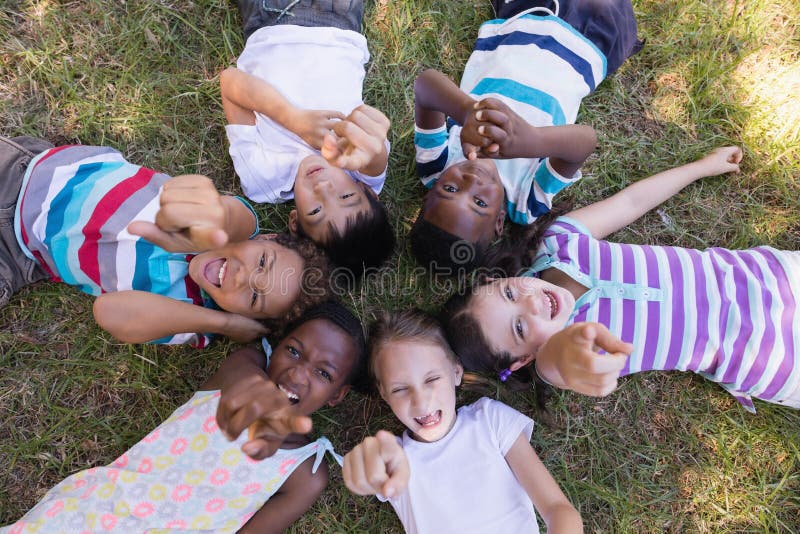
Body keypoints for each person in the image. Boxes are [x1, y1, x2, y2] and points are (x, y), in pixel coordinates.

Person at [442, 146, 800, 413]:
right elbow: (557, 363)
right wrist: (558, 357)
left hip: (772, 274)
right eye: (520, 328)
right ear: (523, 360)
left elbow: (631, 202)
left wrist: (700, 167)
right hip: (775, 361)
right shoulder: (569, 352)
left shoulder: (559, 242)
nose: (531, 302)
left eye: (508, 293)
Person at [2, 300, 366, 533]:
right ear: (275, 349)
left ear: (337, 395)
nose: (298, 374)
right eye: (293, 351)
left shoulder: (306, 473)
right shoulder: (243, 369)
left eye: (324, 374)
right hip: (93, 513)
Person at [0, 136, 331, 347]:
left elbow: (109, 311)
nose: (243, 277)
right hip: (33, 170)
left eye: (255, 297)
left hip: (18, 253)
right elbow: (228, 216)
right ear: (268, 238)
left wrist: (223, 323)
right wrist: (211, 224)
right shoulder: (236, 227)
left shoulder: (189, 316)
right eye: (262, 262)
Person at [410, 0, 642, 272]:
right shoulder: (525, 202)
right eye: (479, 202)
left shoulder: (435, 166)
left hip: (523, 17)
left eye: (449, 189)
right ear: (499, 221)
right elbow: (585, 141)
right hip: (592, 42)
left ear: (429, 196)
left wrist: (467, 112)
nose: (470, 181)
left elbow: (425, 85)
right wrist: (531, 141)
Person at [342, 310, 583, 533]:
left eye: (432, 379)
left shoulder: (490, 420)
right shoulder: (398, 458)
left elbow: (557, 509)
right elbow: (373, 463)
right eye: (401, 389)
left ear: (456, 372)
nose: (420, 401)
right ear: (384, 394)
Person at [221, 0, 396, 274]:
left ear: (295, 221)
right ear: (368, 193)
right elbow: (375, 154)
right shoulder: (358, 164)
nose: (324, 188)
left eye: (315, 211)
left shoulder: (264, 180)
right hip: (338, 21)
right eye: (347, 196)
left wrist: (293, 119)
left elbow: (230, 81)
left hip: (271, 18)